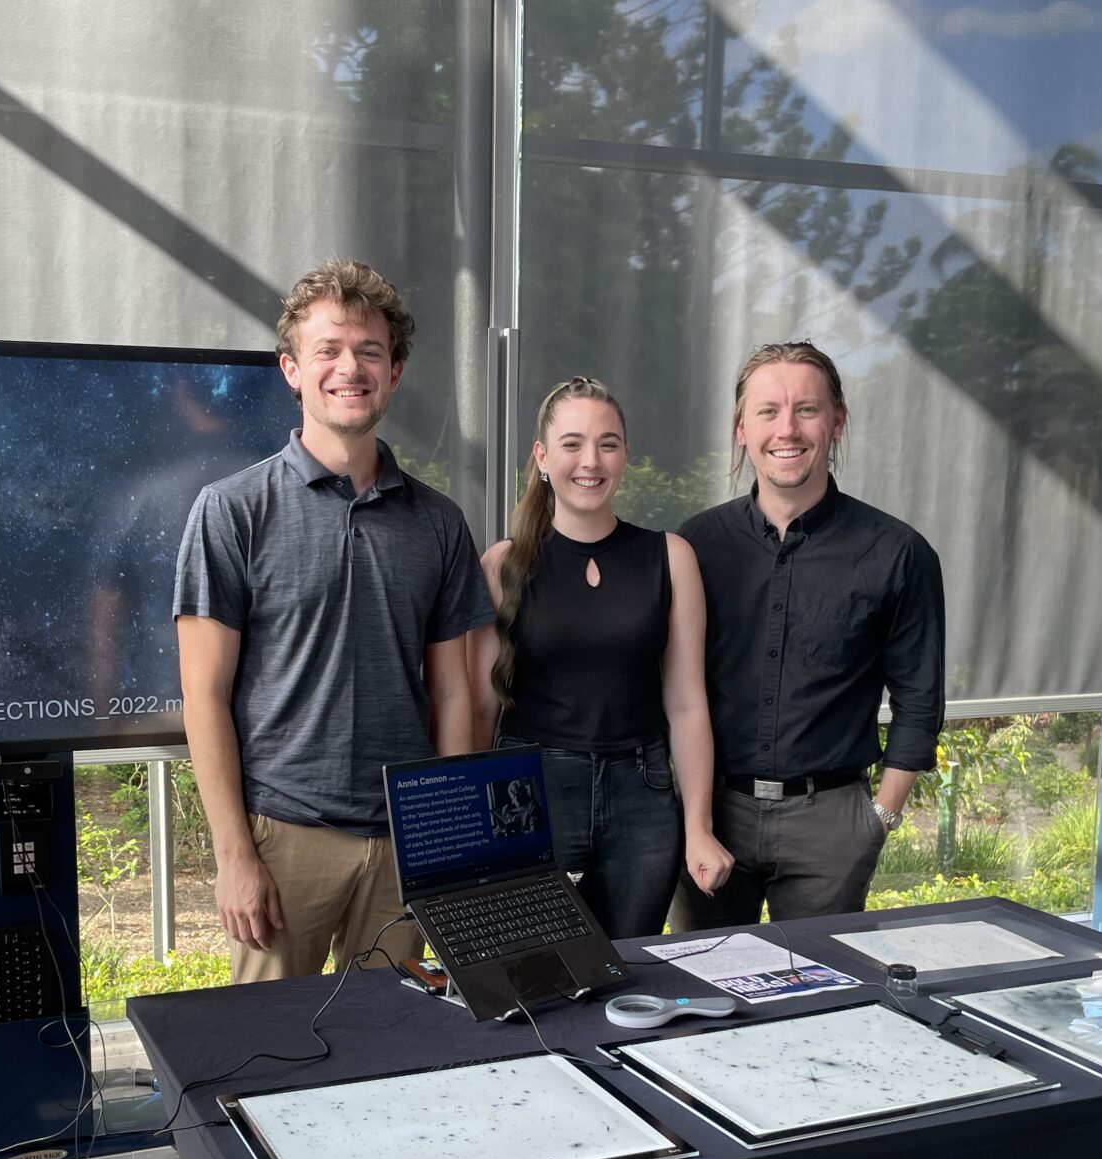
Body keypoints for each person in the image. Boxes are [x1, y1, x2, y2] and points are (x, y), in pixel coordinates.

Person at [173, 260, 493, 981]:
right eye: (329, 350)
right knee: (265, 1063)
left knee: (388, 1058)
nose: (350, 368)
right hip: (286, 842)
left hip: (405, 841)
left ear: (396, 372)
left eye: (370, 352)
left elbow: (453, 695)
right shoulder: (232, 511)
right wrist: (234, 858)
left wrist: (448, 845)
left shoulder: (439, 524)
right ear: (292, 369)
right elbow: (204, 697)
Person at [670, 341, 944, 929]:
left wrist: (880, 819)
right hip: (710, 815)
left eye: (807, 410)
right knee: (704, 1000)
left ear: (838, 421)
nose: (786, 429)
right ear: (741, 429)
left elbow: (919, 702)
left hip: (832, 826)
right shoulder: (694, 547)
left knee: (824, 1000)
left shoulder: (898, 553)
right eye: (767, 411)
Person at [469, 377, 733, 938]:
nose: (590, 460)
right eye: (571, 443)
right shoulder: (503, 565)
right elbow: (478, 710)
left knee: (627, 971)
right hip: (528, 792)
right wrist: (470, 829)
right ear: (542, 457)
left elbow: (686, 705)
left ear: (625, 456)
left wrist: (699, 826)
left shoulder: (671, 558)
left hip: (643, 799)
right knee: (534, 973)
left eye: (607, 443)